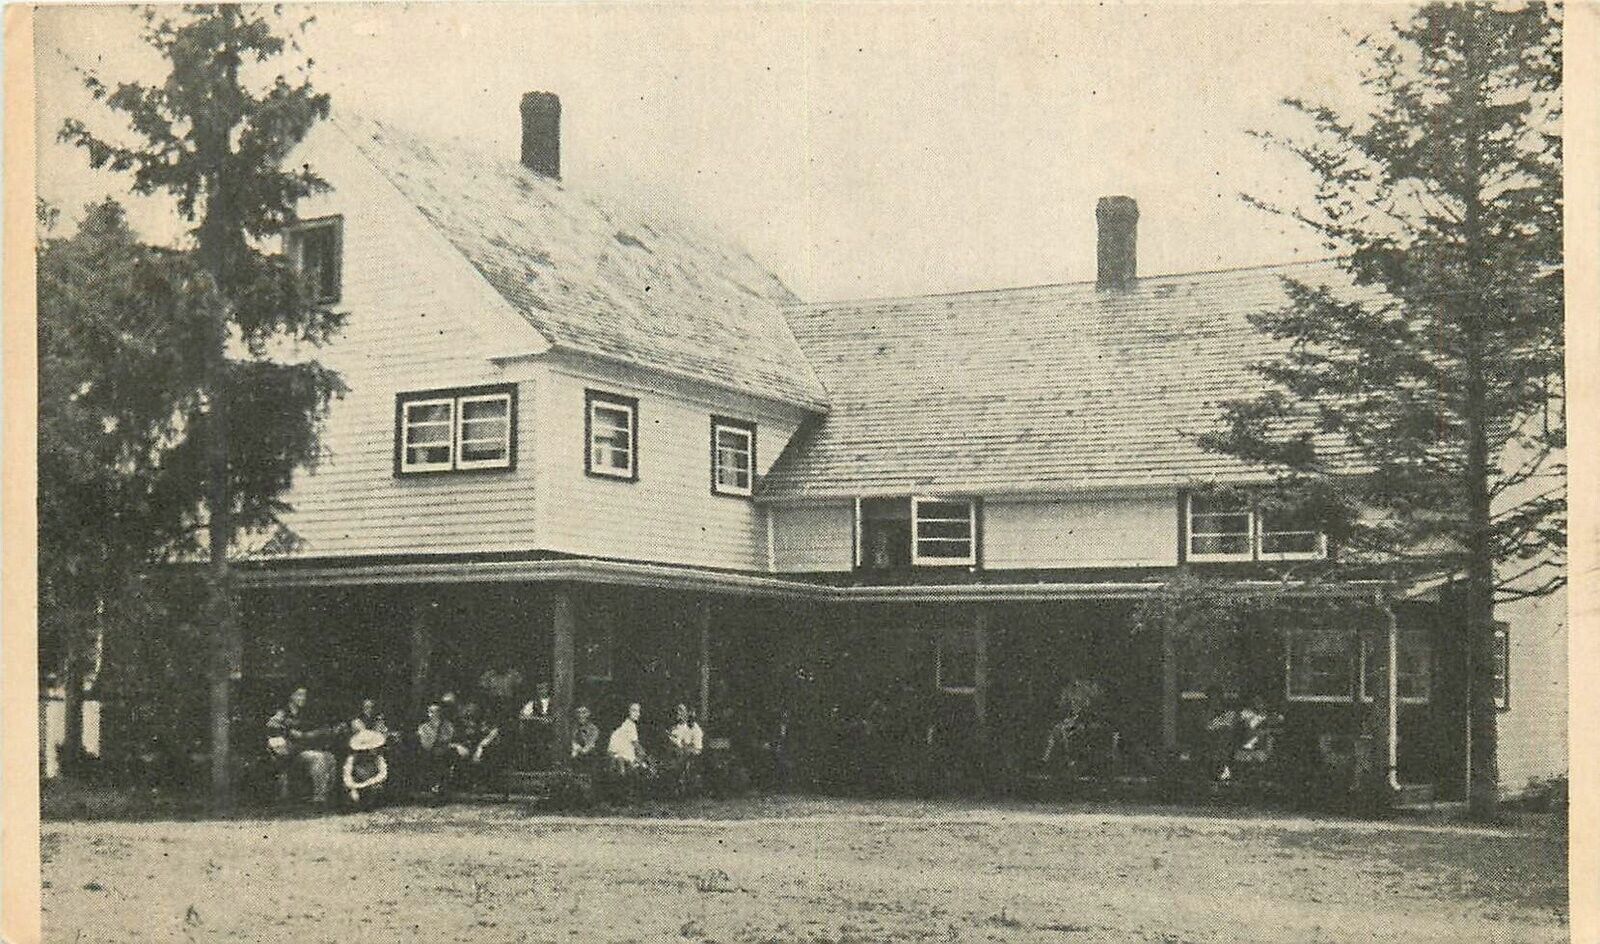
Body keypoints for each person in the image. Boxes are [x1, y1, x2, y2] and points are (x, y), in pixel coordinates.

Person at [265, 686, 337, 804]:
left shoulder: (305, 713)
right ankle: (319, 797)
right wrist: (288, 734)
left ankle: (325, 795)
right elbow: (272, 729)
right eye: (299, 695)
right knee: (317, 758)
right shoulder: (282, 713)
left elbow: (313, 732)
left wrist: (309, 735)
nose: (302, 698)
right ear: (291, 696)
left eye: (304, 695)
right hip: (287, 757)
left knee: (329, 757)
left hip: (300, 751)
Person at [415, 702, 465, 796]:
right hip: (429, 752)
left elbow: (449, 738)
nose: (433, 714)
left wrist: (446, 744)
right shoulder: (424, 727)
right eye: (430, 712)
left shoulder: (447, 725)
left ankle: (443, 785)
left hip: (445, 751)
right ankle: (433, 785)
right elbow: (426, 744)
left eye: (436, 712)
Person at [342, 728, 389, 809]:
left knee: (377, 788)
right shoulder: (352, 759)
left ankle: (372, 804)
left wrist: (369, 783)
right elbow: (347, 776)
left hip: (371, 784)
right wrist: (354, 787)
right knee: (349, 793)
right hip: (357, 784)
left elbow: (383, 774)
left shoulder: (378, 759)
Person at [607, 702, 647, 774]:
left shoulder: (625, 725)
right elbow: (636, 745)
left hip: (620, 758)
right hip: (623, 759)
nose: (637, 714)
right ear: (628, 712)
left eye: (638, 711)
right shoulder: (629, 725)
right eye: (633, 711)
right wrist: (644, 756)